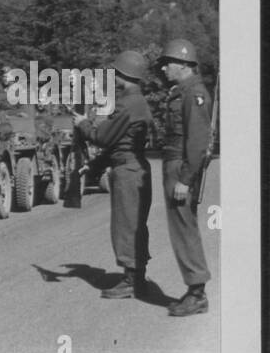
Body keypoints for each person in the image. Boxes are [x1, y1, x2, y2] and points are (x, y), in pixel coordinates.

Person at [72, 50, 153, 299]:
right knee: (135, 225)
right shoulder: (137, 102)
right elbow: (121, 143)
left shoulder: (128, 104)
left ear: (124, 75)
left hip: (127, 172)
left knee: (126, 226)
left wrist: (83, 123)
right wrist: (95, 165)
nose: (114, 76)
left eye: (116, 72)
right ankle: (137, 275)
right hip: (133, 167)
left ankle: (131, 281)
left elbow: (104, 137)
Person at [159, 38, 212, 317]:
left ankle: (197, 293)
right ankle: (194, 289)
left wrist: (185, 179)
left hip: (181, 167)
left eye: (169, 62)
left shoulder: (194, 94)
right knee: (180, 228)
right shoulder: (182, 91)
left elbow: (197, 141)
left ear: (183, 64)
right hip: (175, 163)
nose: (165, 67)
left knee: (184, 228)